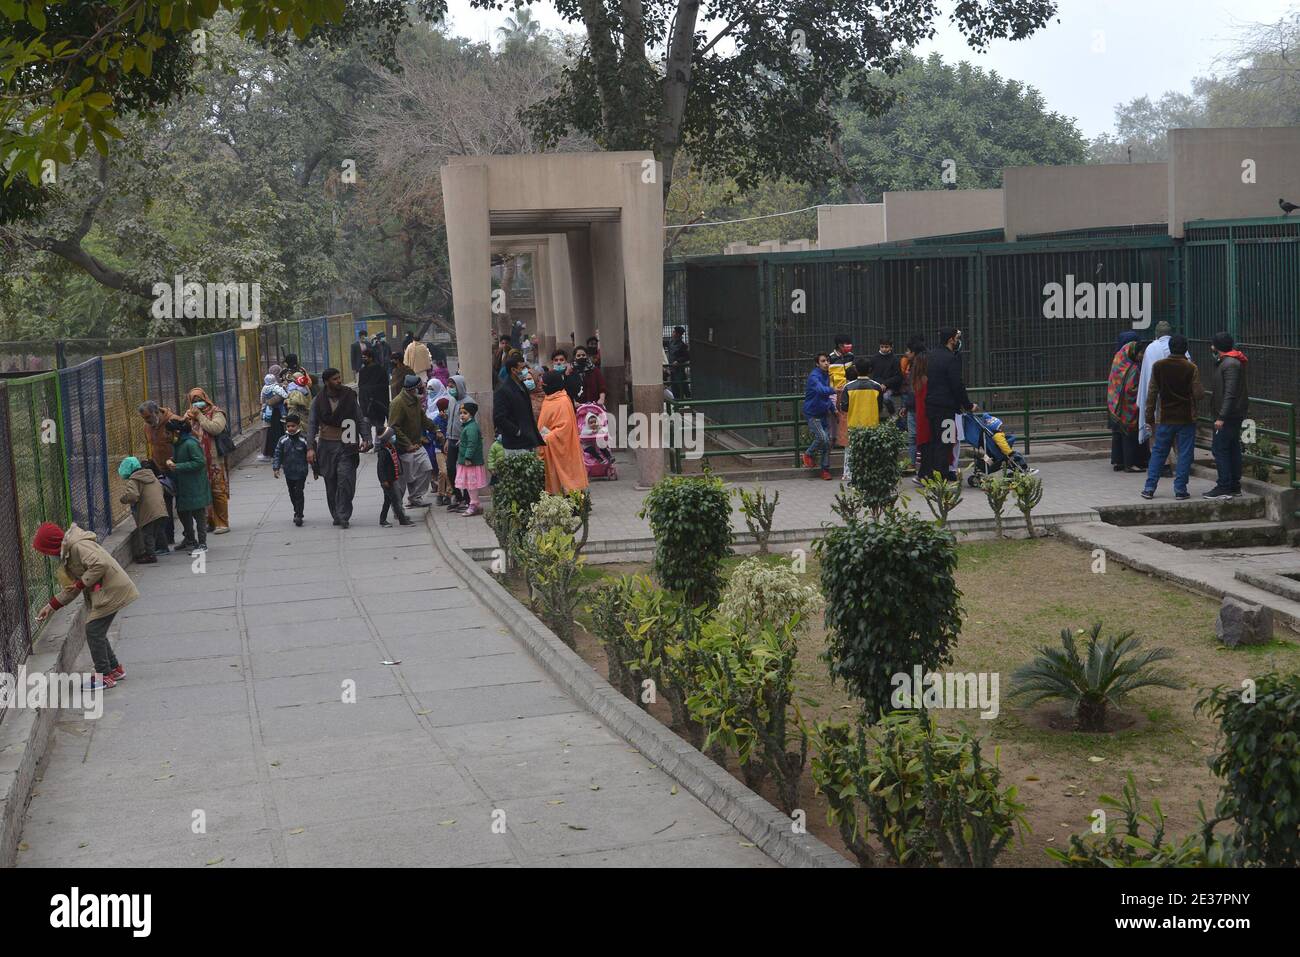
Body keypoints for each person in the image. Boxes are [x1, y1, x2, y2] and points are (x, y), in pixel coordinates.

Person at [31, 521, 137, 690]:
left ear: (51, 546)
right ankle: (114, 668)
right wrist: (52, 606)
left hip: (112, 590)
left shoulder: (78, 547)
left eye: (46, 552)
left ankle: (104, 675)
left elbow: (99, 564)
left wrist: (81, 583)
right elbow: (73, 588)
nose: (47, 557)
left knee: (94, 630)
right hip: (106, 591)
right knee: (97, 631)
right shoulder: (69, 554)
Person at [1142, 334, 1204, 501]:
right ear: (1185, 349)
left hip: (1165, 417)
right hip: (1186, 418)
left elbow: (1152, 394)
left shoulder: (1158, 366)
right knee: (1184, 454)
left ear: (1170, 347)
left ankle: (1149, 488)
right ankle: (1180, 490)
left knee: (1158, 453)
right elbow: (1198, 394)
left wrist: (1149, 417)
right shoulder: (1191, 368)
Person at [306, 368, 364, 528]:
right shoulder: (318, 401)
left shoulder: (349, 396)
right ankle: (337, 514)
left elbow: (359, 418)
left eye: (339, 378)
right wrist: (310, 448)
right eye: (335, 379)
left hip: (348, 443)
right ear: (326, 382)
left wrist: (366, 437)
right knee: (331, 482)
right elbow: (311, 425)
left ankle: (344, 514)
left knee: (346, 480)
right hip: (326, 447)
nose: (339, 381)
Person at [921, 327, 975, 482]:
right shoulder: (951, 358)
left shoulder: (931, 356)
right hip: (946, 408)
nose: (957, 341)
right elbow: (957, 384)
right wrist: (968, 404)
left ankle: (932, 473)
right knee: (946, 442)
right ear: (951, 339)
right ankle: (942, 475)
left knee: (935, 440)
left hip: (932, 405)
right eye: (956, 338)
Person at [1205, 332, 1250, 499]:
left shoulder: (1229, 364)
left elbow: (1230, 393)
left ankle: (1224, 485)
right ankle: (1233, 485)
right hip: (1231, 414)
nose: (1211, 347)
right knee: (1231, 448)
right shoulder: (1228, 362)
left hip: (1228, 416)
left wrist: (1221, 417)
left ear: (1217, 347)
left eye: (1213, 344)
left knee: (1220, 449)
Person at [184, 387, 231, 534]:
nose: (197, 403)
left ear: (206, 399)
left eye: (200, 400)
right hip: (198, 460)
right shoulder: (189, 415)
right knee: (202, 492)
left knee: (218, 490)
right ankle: (208, 521)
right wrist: (187, 419)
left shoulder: (217, 412)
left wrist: (200, 417)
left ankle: (222, 523)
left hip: (215, 459)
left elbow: (215, 428)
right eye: (194, 401)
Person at [538, 370, 589, 495]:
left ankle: (572, 503)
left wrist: (547, 437)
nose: (543, 387)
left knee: (567, 478)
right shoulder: (549, 399)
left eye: (544, 385)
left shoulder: (562, 401)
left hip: (563, 448)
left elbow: (564, 428)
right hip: (549, 447)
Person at [388, 373, 436, 508]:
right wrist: (407, 444)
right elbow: (394, 427)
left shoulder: (415, 401)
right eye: (419, 388)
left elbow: (423, 419)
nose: (422, 390)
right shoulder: (398, 403)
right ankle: (397, 507)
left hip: (416, 444)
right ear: (412, 389)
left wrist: (435, 429)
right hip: (403, 448)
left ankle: (415, 497)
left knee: (426, 468)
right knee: (402, 480)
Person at [165, 418, 212, 554]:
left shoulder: (190, 444)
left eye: (168, 433)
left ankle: (202, 543)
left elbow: (199, 463)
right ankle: (190, 539)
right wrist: (173, 461)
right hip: (183, 486)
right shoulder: (178, 444)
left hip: (195, 486)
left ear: (176, 432)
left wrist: (177, 466)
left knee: (199, 516)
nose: (166, 436)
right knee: (183, 513)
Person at [138, 400, 181, 545]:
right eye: (144, 419)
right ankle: (169, 537)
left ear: (157, 412)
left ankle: (191, 536)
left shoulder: (174, 420)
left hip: (178, 468)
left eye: (149, 417)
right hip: (161, 470)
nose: (147, 421)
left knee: (183, 504)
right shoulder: (147, 427)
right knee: (165, 506)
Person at [838, 357, 887, 483]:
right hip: (872, 425)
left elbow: (844, 407)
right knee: (871, 454)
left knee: (854, 453)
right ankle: (871, 478)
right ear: (870, 370)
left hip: (854, 425)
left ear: (856, 369)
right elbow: (880, 406)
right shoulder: (876, 387)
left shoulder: (848, 387)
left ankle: (854, 479)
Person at [1107, 334, 1149, 473]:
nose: (1142, 355)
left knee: (1118, 434)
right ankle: (1131, 463)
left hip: (1115, 405)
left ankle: (1119, 461)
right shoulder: (1133, 368)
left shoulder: (1118, 360)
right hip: (1128, 408)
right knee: (1130, 434)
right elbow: (1131, 389)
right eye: (1140, 353)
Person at [494, 352, 545, 455]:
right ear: (513, 370)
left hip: (528, 440)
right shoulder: (503, 390)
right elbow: (499, 417)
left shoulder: (522, 386)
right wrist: (517, 431)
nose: (525, 371)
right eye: (522, 368)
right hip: (515, 444)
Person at [118, 456, 166, 565]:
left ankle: (150, 555)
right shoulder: (152, 476)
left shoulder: (134, 480)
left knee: (147, 533)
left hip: (148, 511)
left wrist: (123, 499)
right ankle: (152, 551)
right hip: (161, 509)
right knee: (153, 533)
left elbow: (133, 496)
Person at [272, 413, 311, 526]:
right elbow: (277, 454)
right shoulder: (283, 440)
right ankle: (296, 510)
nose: (290, 428)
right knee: (292, 493)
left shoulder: (304, 440)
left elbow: (310, 454)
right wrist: (276, 468)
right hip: (288, 472)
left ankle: (299, 514)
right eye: (288, 426)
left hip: (301, 472)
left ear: (298, 426)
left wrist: (315, 469)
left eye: (293, 426)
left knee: (299, 492)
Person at [802, 353, 836, 481]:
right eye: (823, 361)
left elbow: (825, 396)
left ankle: (825, 470)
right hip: (813, 413)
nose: (826, 363)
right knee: (823, 438)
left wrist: (833, 409)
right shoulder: (814, 376)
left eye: (827, 361)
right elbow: (822, 390)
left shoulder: (826, 374)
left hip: (823, 412)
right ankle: (808, 454)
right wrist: (835, 390)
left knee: (827, 443)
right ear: (817, 363)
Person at [374, 428, 415, 527]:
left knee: (388, 500)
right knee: (396, 500)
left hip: (393, 478)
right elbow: (380, 468)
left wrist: (409, 449)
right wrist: (383, 481)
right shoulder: (383, 452)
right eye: (392, 436)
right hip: (388, 481)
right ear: (387, 438)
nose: (394, 437)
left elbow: (400, 452)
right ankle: (402, 520)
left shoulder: (392, 447)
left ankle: (383, 520)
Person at [455, 400, 488, 517]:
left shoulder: (471, 428)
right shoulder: (469, 427)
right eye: (461, 413)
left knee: (471, 485)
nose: (462, 415)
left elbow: (472, 443)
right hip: (468, 461)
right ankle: (476, 505)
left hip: (470, 462)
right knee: (470, 485)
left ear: (471, 415)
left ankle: (473, 504)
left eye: (465, 413)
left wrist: (468, 457)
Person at [444, 373, 470, 512]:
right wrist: (448, 438)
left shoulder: (469, 402)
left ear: (459, 386)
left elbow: (473, 424)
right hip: (452, 439)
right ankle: (458, 496)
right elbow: (450, 421)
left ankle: (467, 499)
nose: (450, 388)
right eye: (448, 386)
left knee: (465, 470)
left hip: (463, 441)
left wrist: (465, 439)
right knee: (450, 468)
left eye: (452, 386)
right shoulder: (451, 400)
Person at [357, 347, 390, 444]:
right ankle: (369, 442)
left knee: (379, 425)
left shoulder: (380, 370)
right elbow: (361, 387)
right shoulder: (362, 371)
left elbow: (384, 387)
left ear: (371, 358)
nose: (363, 359)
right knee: (366, 424)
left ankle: (378, 445)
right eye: (362, 357)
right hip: (366, 403)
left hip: (378, 403)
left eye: (365, 357)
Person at [866, 338, 904, 413]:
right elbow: (870, 371)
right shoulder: (874, 358)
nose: (884, 349)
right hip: (877, 385)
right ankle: (878, 416)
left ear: (891, 347)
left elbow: (898, 376)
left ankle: (892, 415)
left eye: (886, 347)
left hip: (890, 386)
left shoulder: (894, 359)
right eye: (882, 347)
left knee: (886, 398)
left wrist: (885, 384)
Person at [908, 350, 930, 477]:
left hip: (918, 413)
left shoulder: (916, 380)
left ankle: (917, 467)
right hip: (926, 415)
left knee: (916, 439)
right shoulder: (927, 380)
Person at [259, 372, 288, 463]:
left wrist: (265, 404)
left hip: (269, 411)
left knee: (271, 431)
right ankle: (279, 452)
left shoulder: (264, 388)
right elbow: (284, 395)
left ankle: (271, 452)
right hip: (277, 412)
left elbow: (262, 399)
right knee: (278, 431)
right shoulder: (277, 387)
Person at [429, 396, 452, 505]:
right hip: (439, 449)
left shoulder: (451, 419)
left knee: (449, 472)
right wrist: (437, 435)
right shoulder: (436, 421)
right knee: (443, 472)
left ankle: (448, 494)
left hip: (450, 449)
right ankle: (440, 494)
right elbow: (430, 435)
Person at [667, 325, 690, 400]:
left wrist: (678, 361)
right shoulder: (670, 342)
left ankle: (690, 403)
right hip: (672, 370)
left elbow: (687, 356)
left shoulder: (682, 345)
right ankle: (678, 405)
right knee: (674, 388)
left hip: (679, 370)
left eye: (674, 332)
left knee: (683, 387)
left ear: (677, 334)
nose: (672, 333)